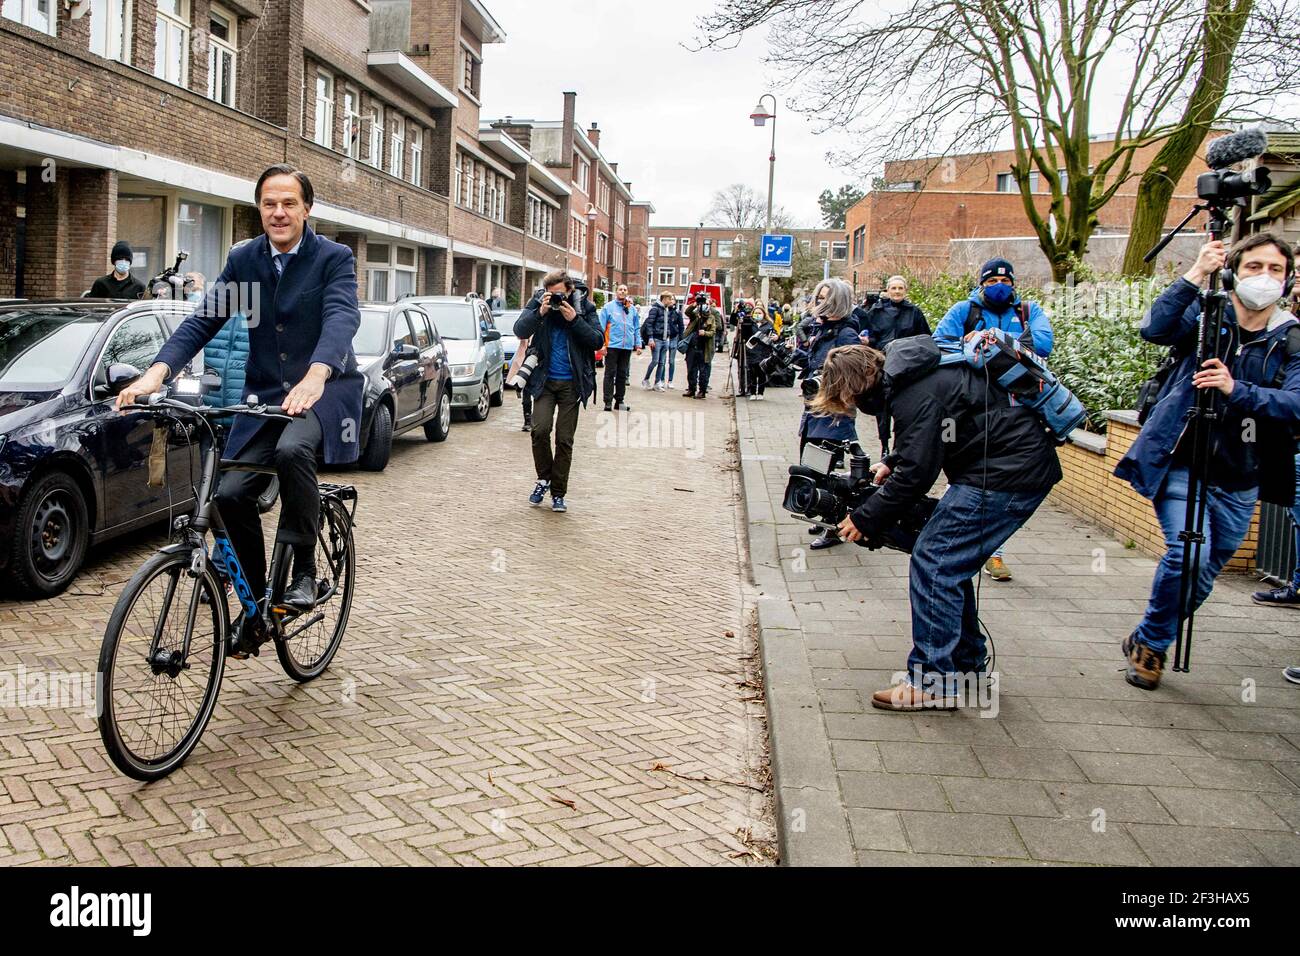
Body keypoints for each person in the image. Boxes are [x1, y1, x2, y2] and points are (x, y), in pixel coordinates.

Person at [116, 164, 364, 658]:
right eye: (270, 203)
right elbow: (204, 319)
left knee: (294, 451)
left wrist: (318, 373)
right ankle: (257, 607)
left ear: (306, 209)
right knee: (229, 494)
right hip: (264, 397)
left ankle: (306, 573)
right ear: (259, 208)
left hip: (322, 388)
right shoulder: (246, 259)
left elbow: (342, 315)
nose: (279, 212)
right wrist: (156, 373)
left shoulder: (332, 258)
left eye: (289, 203)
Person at [818, 340, 1061, 709]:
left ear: (855, 383)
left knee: (934, 562)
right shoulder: (912, 378)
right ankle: (967, 668)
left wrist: (863, 517)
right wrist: (893, 460)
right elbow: (937, 430)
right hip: (1009, 470)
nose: (849, 406)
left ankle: (932, 682)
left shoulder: (913, 393)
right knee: (949, 564)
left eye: (844, 396)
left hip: (1005, 476)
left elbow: (918, 473)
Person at [1116, 232, 1300, 690]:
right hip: (1183, 457)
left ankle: (1145, 635)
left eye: (1275, 269)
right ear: (1236, 270)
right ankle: (1153, 650)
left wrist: (1236, 390)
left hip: (1242, 472)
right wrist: (1195, 275)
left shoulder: (1291, 338)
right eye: (1254, 266)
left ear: (1288, 279)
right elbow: (1154, 329)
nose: (1264, 277)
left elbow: (1295, 404)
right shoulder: (1206, 315)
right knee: (1189, 555)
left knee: (1205, 572)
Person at [934, 257, 1054, 582]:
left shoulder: (1028, 312)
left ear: (1013, 284)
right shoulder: (964, 311)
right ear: (981, 285)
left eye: (1005, 282)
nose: (998, 287)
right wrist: (975, 345)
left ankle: (995, 553)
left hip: (1018, 410)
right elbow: (941, 343)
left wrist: (995, 338)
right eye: (990, 283)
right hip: (972, 409)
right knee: (967, 474)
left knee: (1004, 482)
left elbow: (1044, 343)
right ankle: (953, 536)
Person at [514, 270, 604, 513]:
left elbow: (597, 341)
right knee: (539, 430)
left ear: (570, 290)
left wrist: (575, 319)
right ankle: (544, 479)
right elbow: (520, 330)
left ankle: (558, 493)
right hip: (544, 380)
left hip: (572, 383)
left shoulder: (584, 307)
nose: (555, 299)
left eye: (560, 295)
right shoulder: (539, 303)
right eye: (551, 294)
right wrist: (540, 312)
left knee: (564, 439)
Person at [853, 275, 930, 455]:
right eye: (893, 288)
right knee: (883, 408)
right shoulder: (876, 311)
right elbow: (869, 335)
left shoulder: (914, 312)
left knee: (905, 406)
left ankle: (901, 445)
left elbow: (925, 337)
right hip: (883, 362)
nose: (896, 292)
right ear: (887, 291)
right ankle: (884, 446)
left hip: (907, 365)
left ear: (905, 291)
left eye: (900, 288)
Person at [598, 284, 641, 411]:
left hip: (626, 347)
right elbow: (601, 327)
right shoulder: (608, 307)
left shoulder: (632, 309)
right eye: (620, 289)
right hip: (612, 345)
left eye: (625, 290)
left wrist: (638, 344)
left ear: (627, 292)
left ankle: (620, 400)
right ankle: (608, 401)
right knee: (610, 373)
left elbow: (636, 327)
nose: (622, 291)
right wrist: (602, 345)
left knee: (622, 374)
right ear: (616, 292)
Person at [682, 291, 722, 399]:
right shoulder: (695, 315)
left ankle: (702, 390)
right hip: (692, 346)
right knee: (691, 369)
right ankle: (691, 388)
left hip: (704, 347)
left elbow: (714, 331)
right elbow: (687, 312)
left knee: (703, 371)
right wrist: (694, 303)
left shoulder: (712, 316)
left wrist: (705, 333)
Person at [640, 291, 682, 391]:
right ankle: (646, 379)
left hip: (664, 339)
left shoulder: (666, 310)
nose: (671, 301)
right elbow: (649, 324)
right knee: (655, 361)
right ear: (665, 299)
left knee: (662, 363)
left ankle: (657, 383)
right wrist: (650, 338)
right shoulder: (655, 309)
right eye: (670, 299)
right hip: (656, 339)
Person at [506, 335, 534, 431]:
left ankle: (532, 420)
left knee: (539, 393)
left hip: (537, 364)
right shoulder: (528, 327)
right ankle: (528, 420)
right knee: (526, 392)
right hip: (526, 363)